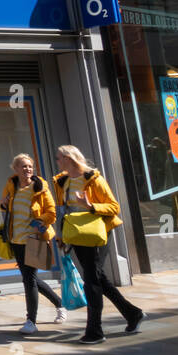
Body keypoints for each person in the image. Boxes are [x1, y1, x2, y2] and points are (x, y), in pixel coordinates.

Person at [54, 145, 144, 344]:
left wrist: (90, 206)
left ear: (69, 159)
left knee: (91, 280)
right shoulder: (63, 182)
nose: (57, 162)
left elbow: (114, 207)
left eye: (59, 158)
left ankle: (95, 330)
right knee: (98, 277)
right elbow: (64, 212)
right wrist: (62, 237)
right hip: (77, 236)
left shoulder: (93, 179)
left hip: (98, 234)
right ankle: (132, 313)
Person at [0, 153, 65, 334]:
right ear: (16, 169)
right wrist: (3, 204)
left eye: (30, 166)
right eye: (23, 166)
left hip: (34, 238)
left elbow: (51, 213)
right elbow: (4, 208)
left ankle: (31, 321)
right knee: (30, 278)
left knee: (29, 279)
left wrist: (38, 221)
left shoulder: (40, 186)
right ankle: (60, 303)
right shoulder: (11, 185)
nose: (27, 169)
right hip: (16, 239)